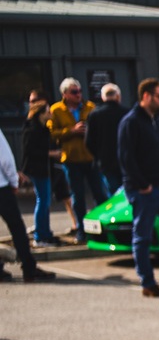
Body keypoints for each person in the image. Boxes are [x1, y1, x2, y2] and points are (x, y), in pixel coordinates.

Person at [118, 78, 159, 297]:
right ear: (146, 96)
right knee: (143, 237)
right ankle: (147, 282)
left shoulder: (158, 119)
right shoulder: (131, 122)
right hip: (145, 191)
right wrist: (142, 185)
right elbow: (126, 158)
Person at [0, 118, 52, 281]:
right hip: (1, 187)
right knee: (17, 228)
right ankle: (29, 267)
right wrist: (14, 182)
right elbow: (5, 159)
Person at [48, 78, 107, 219]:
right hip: (71, 159)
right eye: (74, 92)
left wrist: (89, 132)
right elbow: (52, 133)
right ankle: (81, 229)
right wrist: (72, 131)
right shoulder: (56, 110)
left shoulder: (90, 107)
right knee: (78, 196)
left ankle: (103, 226)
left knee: (100, 194)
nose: (78, 94)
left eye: (80, 91)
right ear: (65, 94)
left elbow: (100, 130)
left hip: (90, 157)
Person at [22, 92, 71, 245]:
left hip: (44, 168)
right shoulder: (32, 129)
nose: (50, 113)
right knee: (43, 200)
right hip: (38, 169)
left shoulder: (43, 128)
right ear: (40, 114)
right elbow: (30, 151)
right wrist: (51, 153)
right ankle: (40, 236)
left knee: (45, 200)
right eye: (48, 111)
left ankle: (45, 232)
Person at [88, 83, 124, 197]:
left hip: (105, 161)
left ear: (103, 97)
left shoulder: (95, 114)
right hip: (124, 160)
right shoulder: (126, 113)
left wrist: (98, 155)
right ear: (118, 96)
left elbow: (89, 141)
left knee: (112, 194)